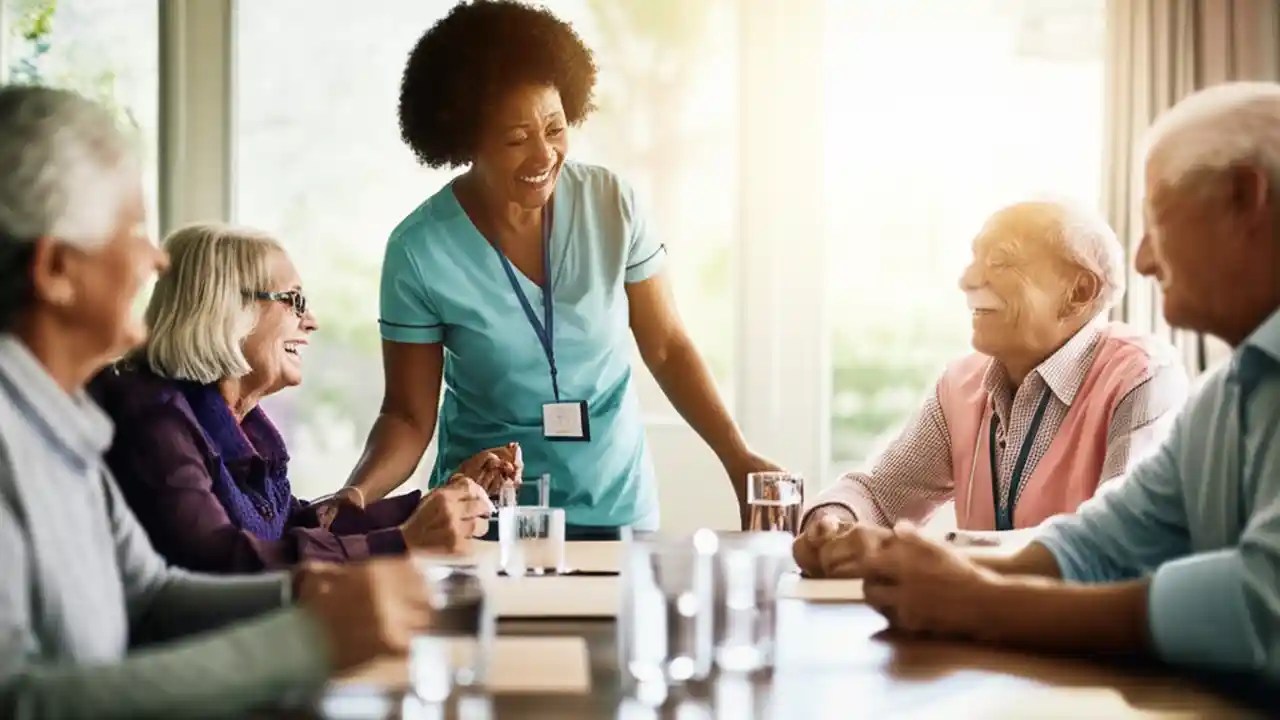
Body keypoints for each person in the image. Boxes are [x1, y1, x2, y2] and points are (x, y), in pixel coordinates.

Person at [801, 81, 1280, 682]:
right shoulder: (1222, 398)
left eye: (1158, 219)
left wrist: (974, 598)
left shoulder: (1143, 375)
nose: (1143, 262)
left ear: (1243, 199)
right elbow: (1102, 543)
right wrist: (907, 566)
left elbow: (1261, 607)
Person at [0, 85, 431, 717]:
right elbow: (19, 702)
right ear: (56, 271)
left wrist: (307, 594)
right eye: (133, 231)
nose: (156, 259)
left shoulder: (63, 423)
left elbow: (150, 592)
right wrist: (308, 636)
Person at [341, 0, 779, 533]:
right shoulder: (420, 250)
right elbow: (407, 416)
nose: (544, 154)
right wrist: (356, 494)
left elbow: (667, 348)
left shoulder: (612, 203)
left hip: (616, 509)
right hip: (484, 516)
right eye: (516, 139)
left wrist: (738, 457)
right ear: (466, 141)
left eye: (554, 127)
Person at [794, 200, 1187, 572]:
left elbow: (1116, 539)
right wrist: (832, 522)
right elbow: (879, 495)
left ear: (1079, 291)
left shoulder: (1142, 378)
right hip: (981, 629)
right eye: (974, 258)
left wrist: (943, 556)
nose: (966, 280)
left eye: (999, 261)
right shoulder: (961, 385)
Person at [89, 223, 502, 573]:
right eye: (294, 301)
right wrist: (401, 542)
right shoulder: (155, 423)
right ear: (228, 307)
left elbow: (290, 528)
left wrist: (429, 507)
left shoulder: (240, 423)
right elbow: (219, 559)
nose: (312, 321)